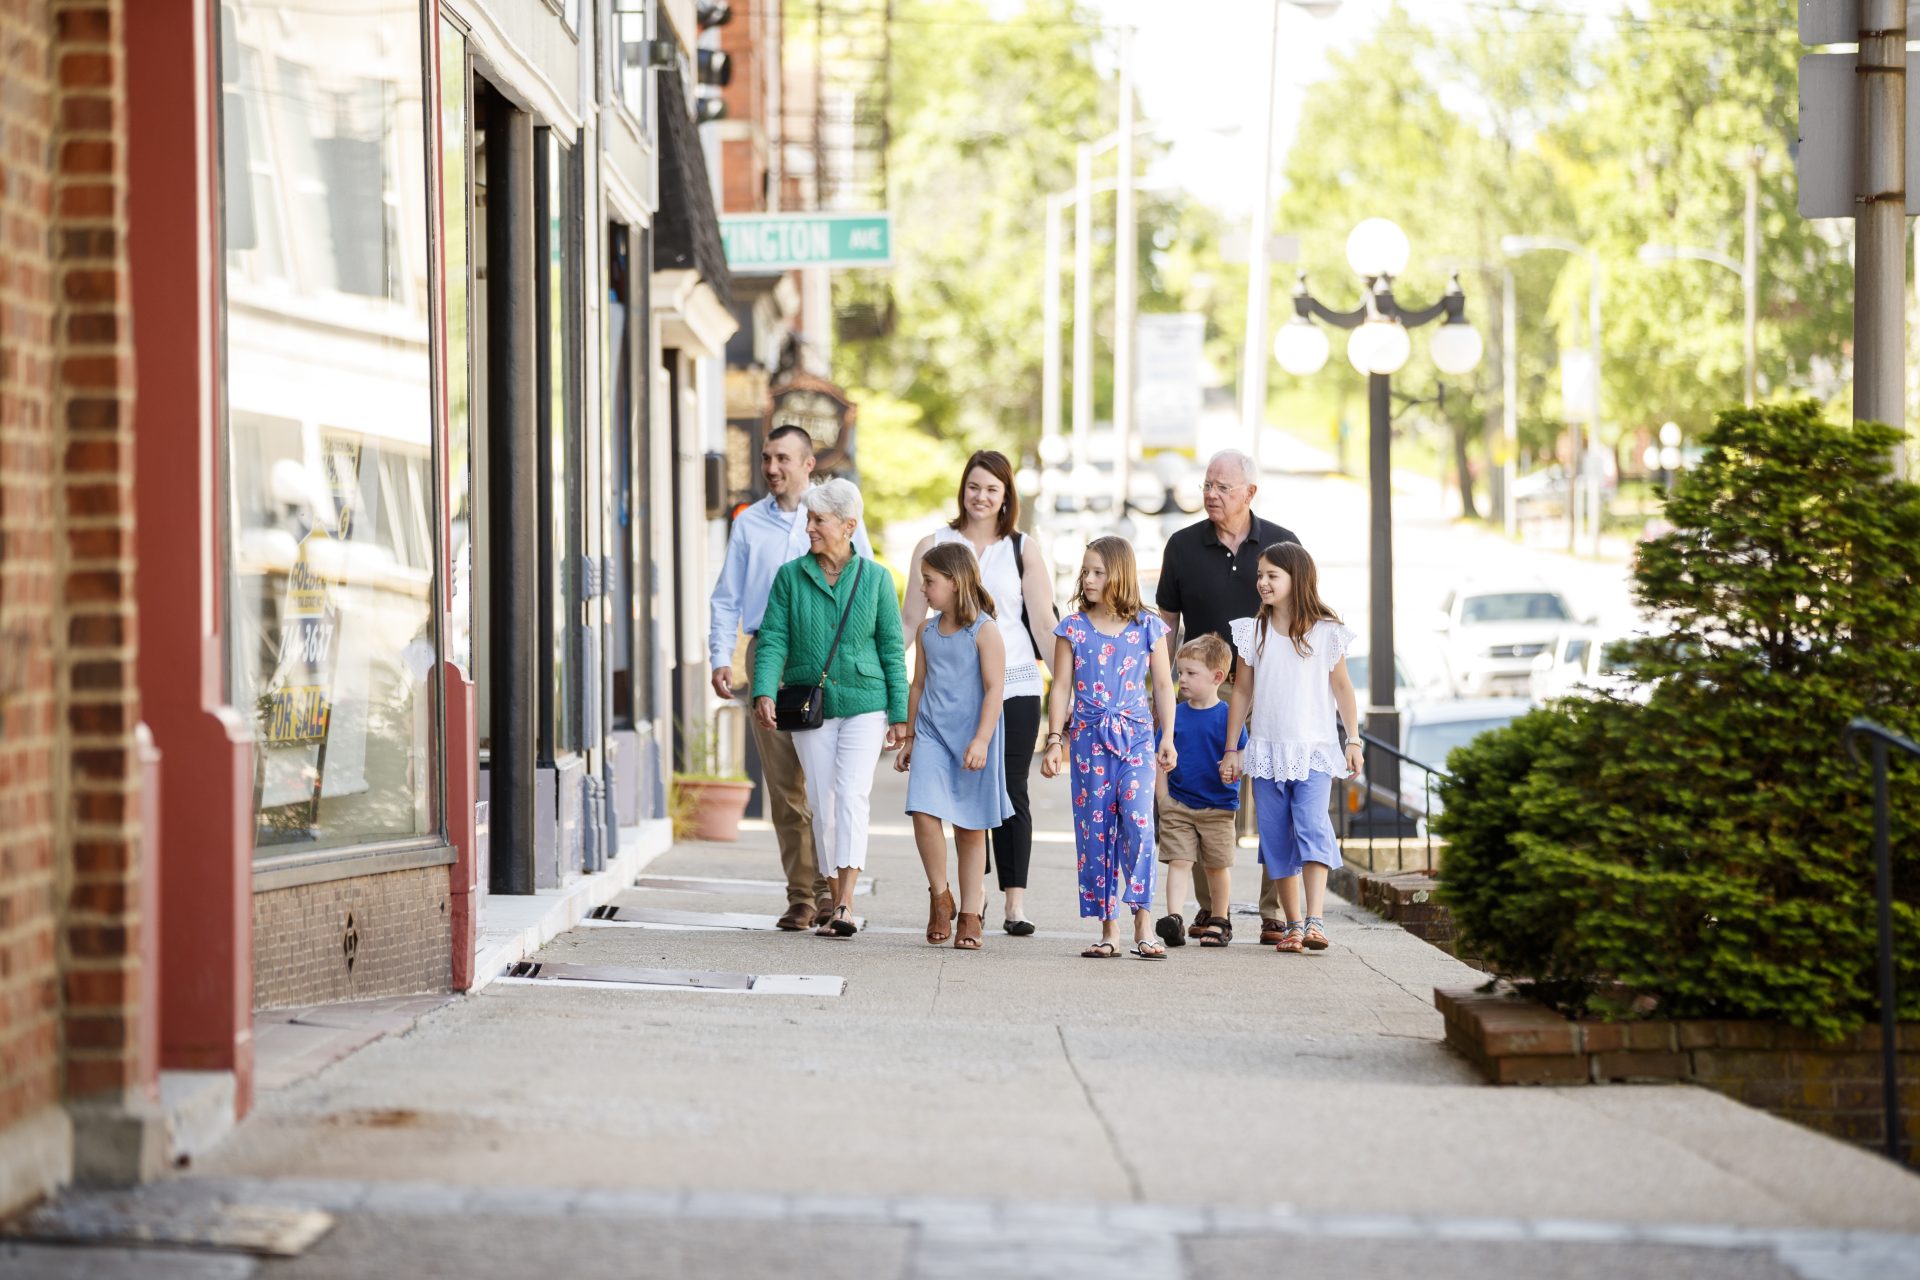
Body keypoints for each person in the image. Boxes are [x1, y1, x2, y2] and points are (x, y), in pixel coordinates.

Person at [709, 425, 874, 932]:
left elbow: (864, 583)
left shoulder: (840, 516)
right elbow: (726, 597)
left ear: (808, 464)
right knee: (785, 788)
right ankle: (802, 895)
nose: (772, 468)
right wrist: (721, 656)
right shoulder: (748, 524)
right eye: (766, 458)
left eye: (783, 458)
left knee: (829, 785)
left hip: (828, 655)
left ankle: (832, 892)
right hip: (771, 656)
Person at [900, 450, 1054, 935]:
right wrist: (880, 675)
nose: (981, 496)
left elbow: (1044, 624)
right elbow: (910, 619)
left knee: (1009, 790)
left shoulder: (1021, 548)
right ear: (962, 489)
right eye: (974, 486)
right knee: (959, 799)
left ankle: (1013, 900)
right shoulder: (935, 543)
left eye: (992, 488)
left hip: (1014, 684)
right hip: (950, 687)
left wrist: (1071, 686)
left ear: (1007, 495)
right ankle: (972, 898)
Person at [1154, 448, 1301, 946]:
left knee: (1274, 798)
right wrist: (1160, 690)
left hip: (1273, 692)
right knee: (1200, 795)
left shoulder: (1282, 543)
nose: (1211, 495)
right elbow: (1166, 627)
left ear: (1249, 493)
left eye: (1223, 487)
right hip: (1206, 695)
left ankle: (1274, 909)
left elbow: (1303, 619)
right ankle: (1209, 909)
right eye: (1207, 486)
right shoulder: (1182, 545)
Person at [751, 479, 907, 939]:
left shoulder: (876, 579)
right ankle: (832, 892)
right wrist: (763, 690)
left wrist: (899, 713)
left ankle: (844, 904)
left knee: (853, 796)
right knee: (822, 801)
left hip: (865, 700)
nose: (809, 527)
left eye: (818, 520)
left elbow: (892, 648)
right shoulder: (790, 576)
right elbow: (774, 638)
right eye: (809, 518)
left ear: (848, 525)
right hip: (809, 703)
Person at [1219, 542, 1364, 954]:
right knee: (1277, 838)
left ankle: (1316, 920)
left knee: (1312, 824)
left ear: (1296, 579)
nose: (1262, 582)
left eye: (1272, 575)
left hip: (1314, 751)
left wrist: (1352, 739)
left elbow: (1342, 687)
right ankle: (1294, 924)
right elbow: (1243, 691)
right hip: (1266, 752)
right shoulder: (1253, 631)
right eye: (1260, 575)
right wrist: (1233, 748)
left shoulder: (1326, 632)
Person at [1041, 536, 1178, 960]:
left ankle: (1143, 921)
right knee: (1096, 830)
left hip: (1136, 739)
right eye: (1085, 571)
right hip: (1088, 741)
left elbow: (1162, 687)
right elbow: (1060, 687)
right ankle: (1108, 929)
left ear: (1119, 573)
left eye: (1098, 571)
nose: (1089, 579)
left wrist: (1167, 738)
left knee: (1139, 822)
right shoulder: (1074, 627)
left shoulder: (1147, 627)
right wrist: (1054, 739)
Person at [896, 543, 1013, 951]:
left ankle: (970, 911)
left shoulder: (984, 630)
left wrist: (982, 739)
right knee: (923, 813)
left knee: (969, 827)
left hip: (972, 738)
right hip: (930, 734)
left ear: (955, 581)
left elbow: (995, 688)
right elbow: (919, 684)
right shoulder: (927, 631)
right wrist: (910, 737)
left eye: (929, 581)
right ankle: (940, 895)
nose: (923, 589)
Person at [1153, 634, 1247, 949]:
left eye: (1191, 673)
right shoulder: (1174, 714)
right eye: (1180, 672)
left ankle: (1220, 920)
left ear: (1217, 677)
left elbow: (1243, 753)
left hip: (1219, 807)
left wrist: (1235, 765)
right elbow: (1159, 758)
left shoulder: (1228, 717)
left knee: (1216, 866)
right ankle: (1174, 919)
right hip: (1179, 804)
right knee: (1178, 861)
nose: (1183, 679)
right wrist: (1163, 799)